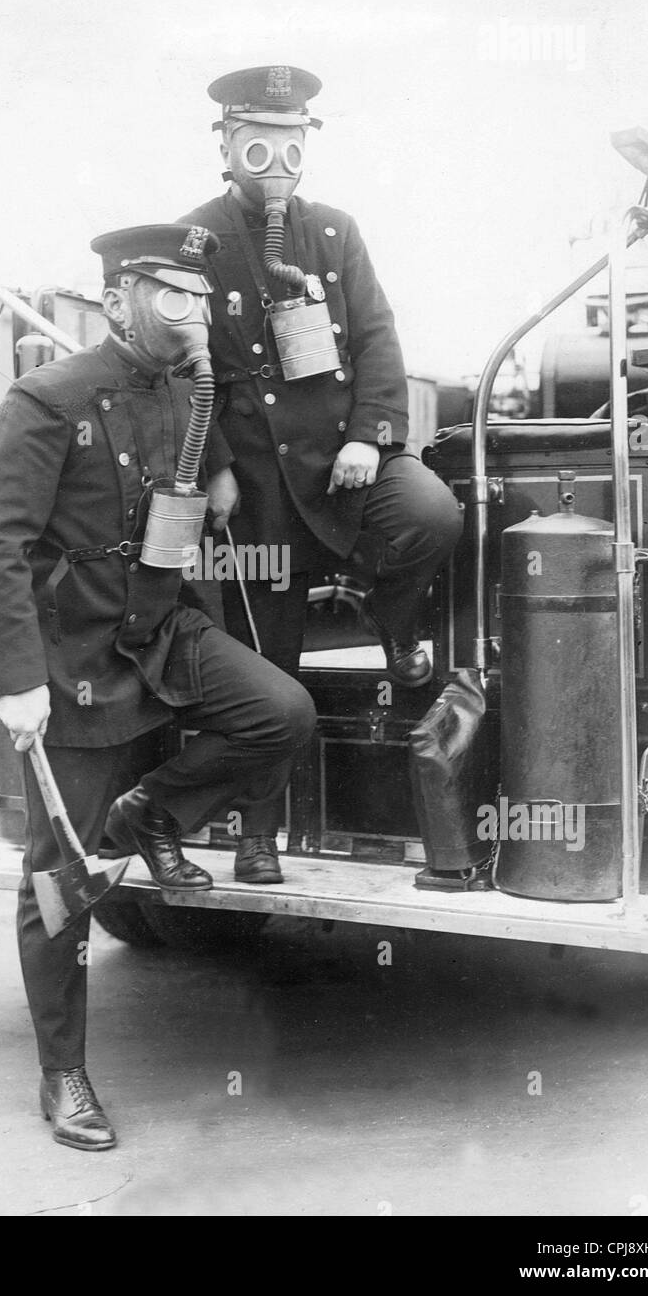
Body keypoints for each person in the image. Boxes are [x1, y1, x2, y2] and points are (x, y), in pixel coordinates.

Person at [0, 223, 316, 1151]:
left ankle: (149, 814)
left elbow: (190, 479)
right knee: (55, 882)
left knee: (279, 713)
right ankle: (62, 1071)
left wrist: (223, 472)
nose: (191, 313)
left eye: (199, 298)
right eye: (172, 295)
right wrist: (17, 680)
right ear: (117, 300)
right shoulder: (47, 399)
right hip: (71, 656)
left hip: (162, 630)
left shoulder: (187, 394)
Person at [178, 64, 463, 884]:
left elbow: (376, 335)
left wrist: (372, 437)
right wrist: (216, 471)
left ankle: (395, 623)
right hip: (256, 488)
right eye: (257, 143)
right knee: (268, 670)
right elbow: (182, 369)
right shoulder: (192, 240)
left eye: (291, 143)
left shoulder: (335, 232)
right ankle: (256, 835)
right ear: (226, 146)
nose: (276, 161)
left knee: (430, 514)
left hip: (343, 460)